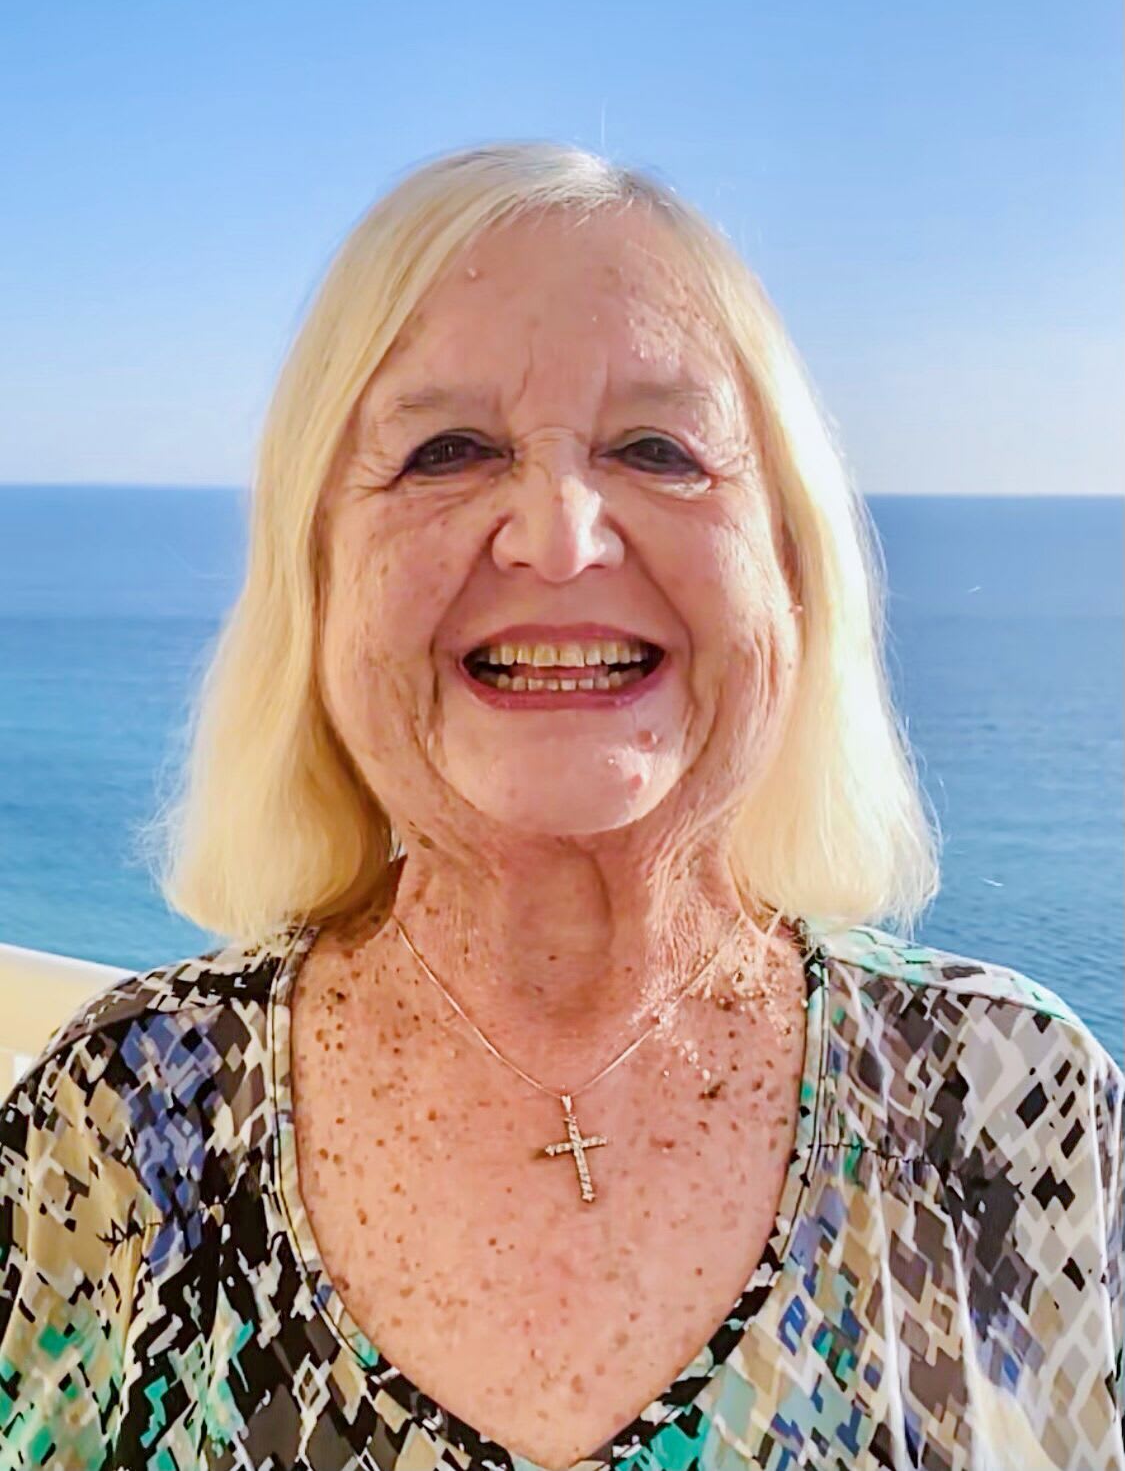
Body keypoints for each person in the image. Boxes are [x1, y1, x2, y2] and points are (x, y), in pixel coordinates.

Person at [0, 142, 1120, 1471]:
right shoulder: (124, 1116)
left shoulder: (1007, 1102)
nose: (559, 537)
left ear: (791, 574)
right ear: (317, 585)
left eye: (658, 448)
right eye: (446, 450)